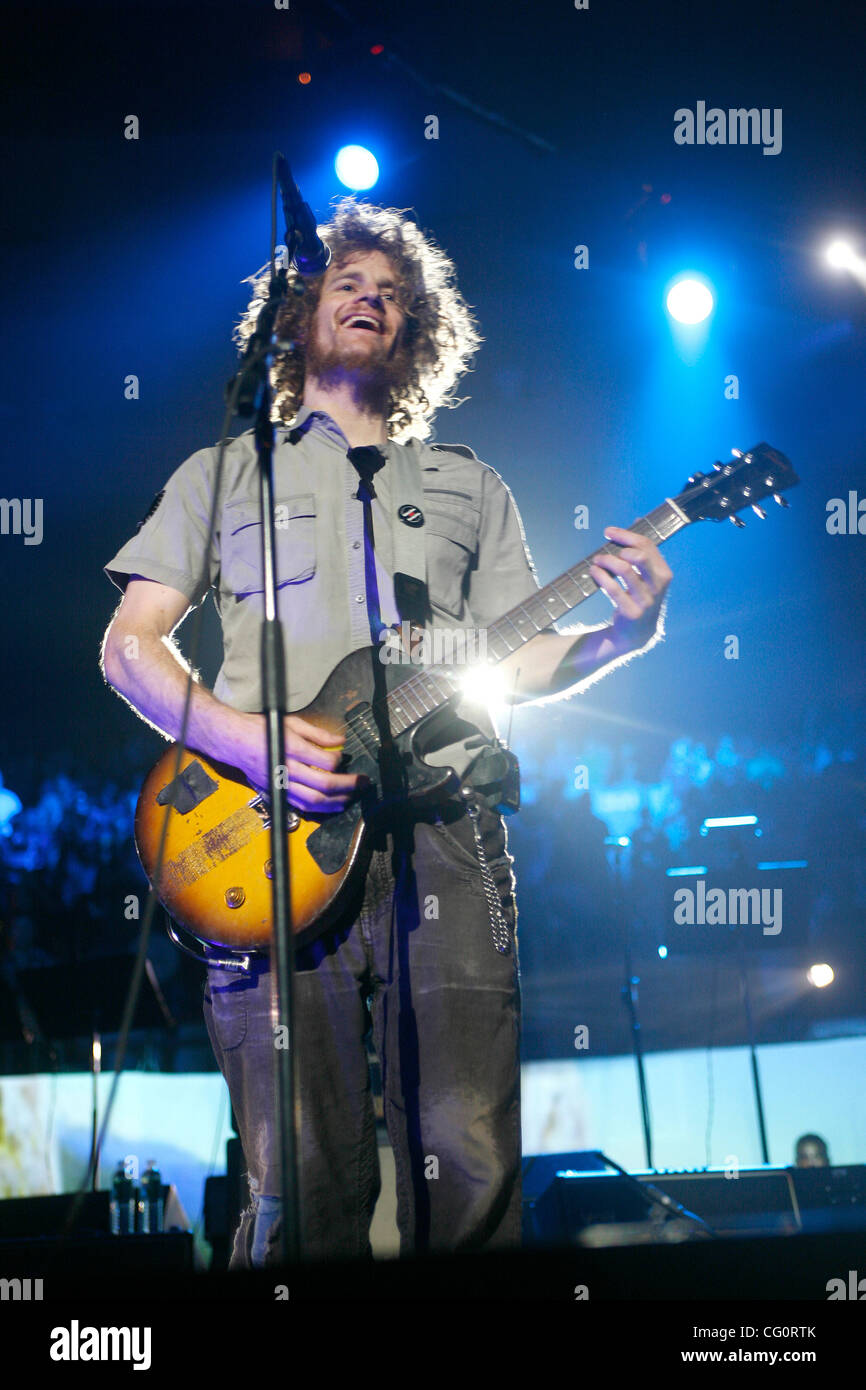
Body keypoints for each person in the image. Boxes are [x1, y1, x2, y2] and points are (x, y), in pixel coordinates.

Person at [100, 196, 673, 1264]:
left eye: (393, 292)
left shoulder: (468, 487)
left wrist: (622, 637)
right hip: (268, 845)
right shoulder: (224, 472)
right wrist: (245, 740)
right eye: (348, 282)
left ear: (415, 330)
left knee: (468, 1160)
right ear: (300, 311)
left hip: (445, 832)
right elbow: (128, 648)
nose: (371, 298)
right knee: (298, 1179)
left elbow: (516, 658)